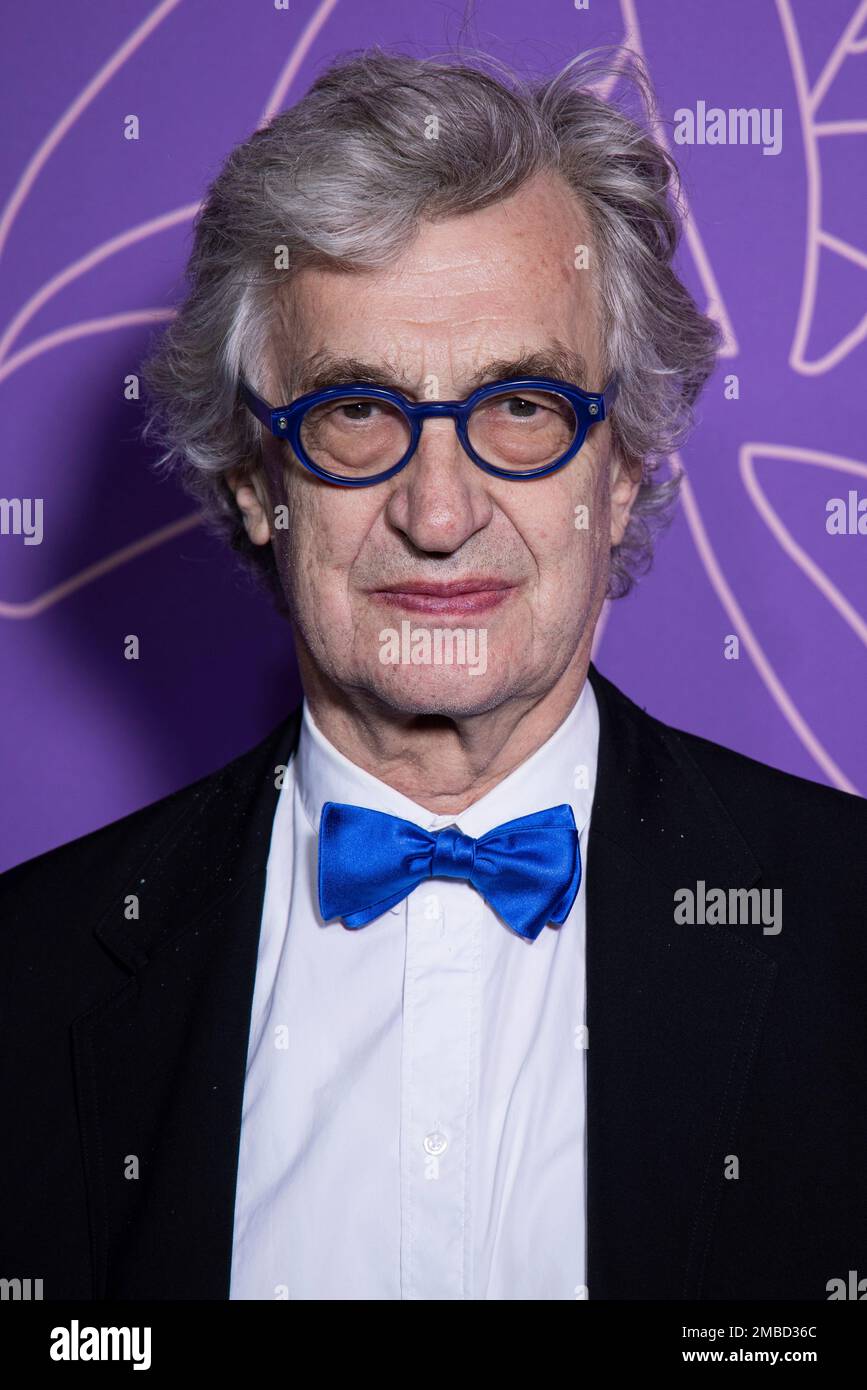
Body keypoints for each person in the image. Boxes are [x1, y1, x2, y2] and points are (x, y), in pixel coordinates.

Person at [1, 48, 865, 1303]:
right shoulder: (26, 982)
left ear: (621, 470)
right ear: (256, 480)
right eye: (357, 411)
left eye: (521, 406)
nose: (441, 510)